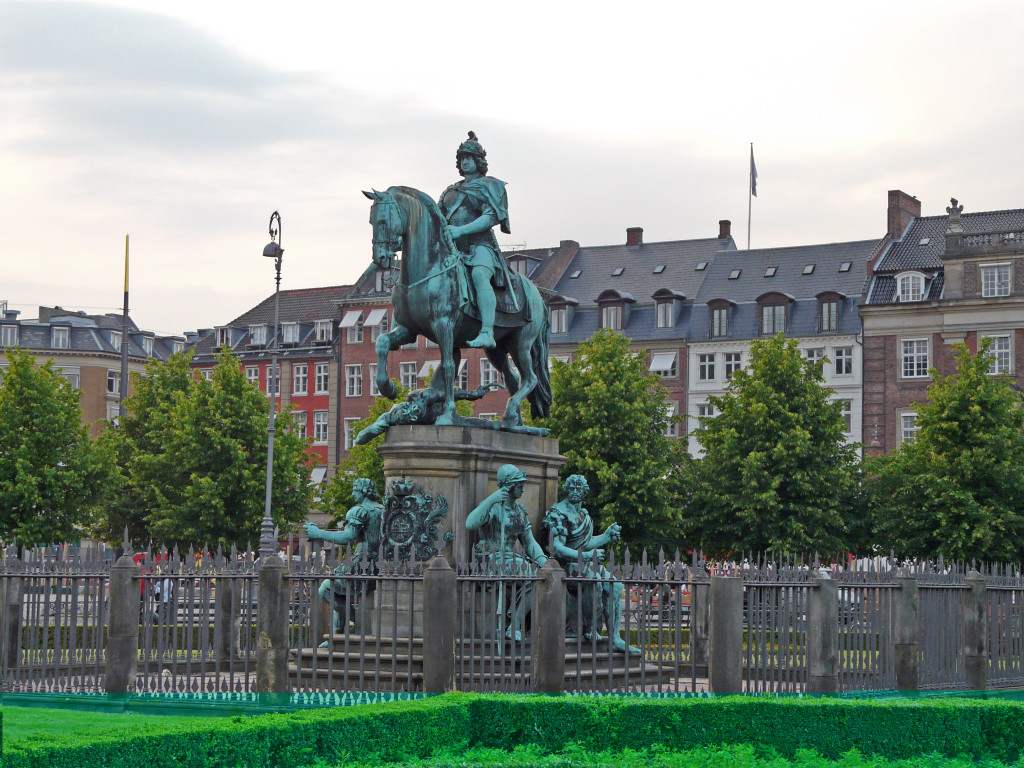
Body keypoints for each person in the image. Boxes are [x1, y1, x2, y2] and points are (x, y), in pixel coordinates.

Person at [543, 474, 638, 652]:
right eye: (572, 488)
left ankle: (615, 639)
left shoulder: (583, 514)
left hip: (581, 563)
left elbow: (584, 544)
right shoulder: (557, 513)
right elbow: (556, 549)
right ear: (566, 490)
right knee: (593, 578)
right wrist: (586, 556)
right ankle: (590, 628)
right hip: (562, 567)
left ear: (585, 492)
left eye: (579, 488)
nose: (575, 491)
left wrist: (606, 537)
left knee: (616, 586)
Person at [439, 131, 513, 350]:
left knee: (480, 275)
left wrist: (461, 230)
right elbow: (436, 218)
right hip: (452, 249)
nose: (465, 162)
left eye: (469, 158)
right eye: (462, 158)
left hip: (481, 245)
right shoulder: (450, 191)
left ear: (479, 161)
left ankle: (487, 332)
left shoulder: (490, 186)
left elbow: (490, 217)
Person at [465, 464, 548, 641]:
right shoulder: (493, 507)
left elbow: (529, 541)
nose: (522, 489)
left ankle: (514, 625)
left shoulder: (520, 511)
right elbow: (470, 523)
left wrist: (544, 562)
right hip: (492, 561)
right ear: (508, 487)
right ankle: (515, 625)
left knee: (537, 575)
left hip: (513, 560)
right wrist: (492, 499)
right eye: (519, 485)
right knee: (530, 573)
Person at [303, 478, 384, 646]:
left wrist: (318, 533)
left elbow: (348, 537)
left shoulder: (359, 511)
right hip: (380, 563)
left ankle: (354, 621)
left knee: (327, 589)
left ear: (363, 491)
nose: (353, 493)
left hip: (361, 562)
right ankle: (336, 637)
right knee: (338, 591)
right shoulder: (382, 509)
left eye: (355, 490)